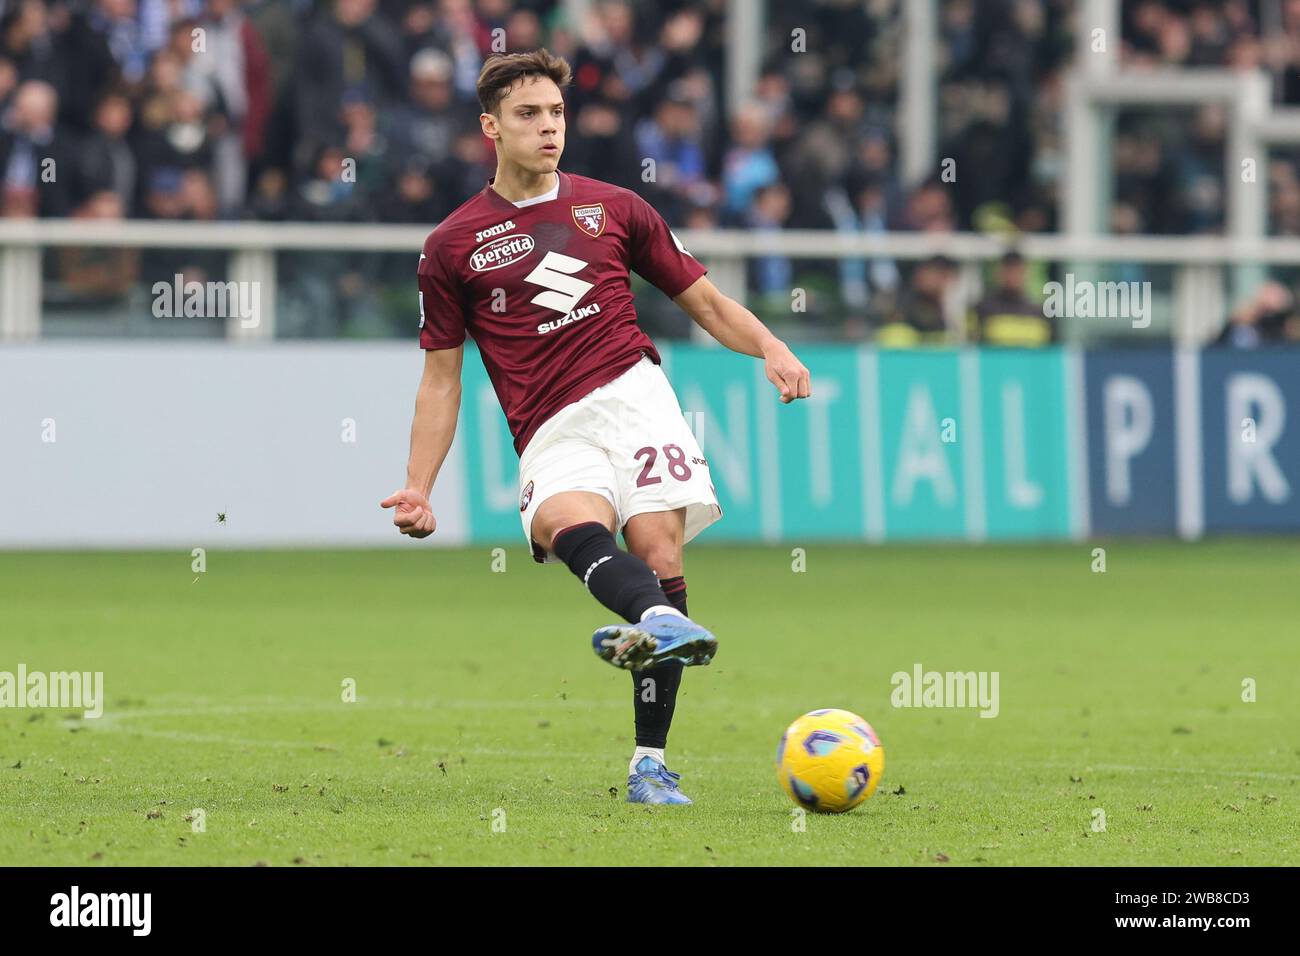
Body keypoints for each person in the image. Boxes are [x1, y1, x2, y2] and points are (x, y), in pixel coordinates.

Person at [381, 49, 811, 806]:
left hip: (635, 395)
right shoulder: (451, 247)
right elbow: (441, 379)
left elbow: (706, 303)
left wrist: (771, 345)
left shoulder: (616, 207)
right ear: (491, 127)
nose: (548, 127)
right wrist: (418, 486)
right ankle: (657, 620)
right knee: (562, 524)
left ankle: (650, 763)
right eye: (528, 115)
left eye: (555, 113)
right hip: (549, 422)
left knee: (657, 548)